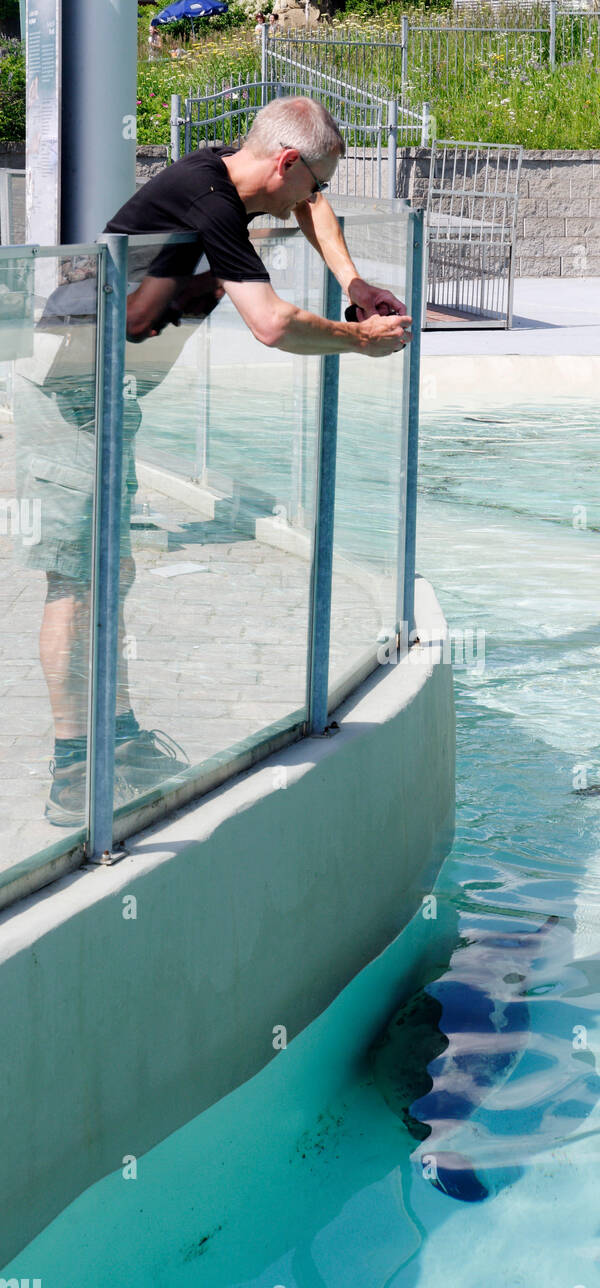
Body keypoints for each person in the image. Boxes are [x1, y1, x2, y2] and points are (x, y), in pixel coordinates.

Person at [17, 95, 410, 827]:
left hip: (109, 389)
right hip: (69, 393)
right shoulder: (212, 206)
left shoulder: (228, 173)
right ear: (284, 160)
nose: (311, 196)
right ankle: (74, 766)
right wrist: (361, 340)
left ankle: (121, 735)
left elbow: (312, 210)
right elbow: (271, 325)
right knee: (75, 576)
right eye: (310, 178)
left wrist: (353, 284)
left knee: (111, 569)